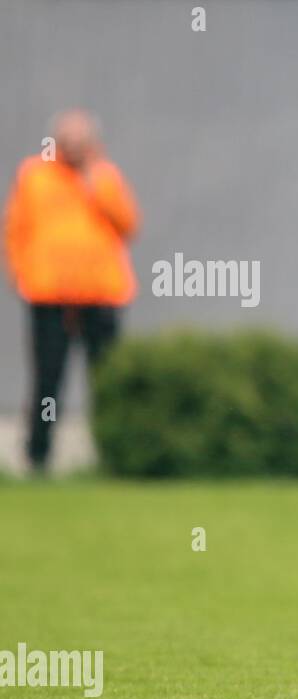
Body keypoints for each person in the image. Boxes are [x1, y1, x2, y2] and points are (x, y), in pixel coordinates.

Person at [4, 109, 139, 474]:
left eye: (82, 142)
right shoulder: (35, 177)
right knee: (48, 378)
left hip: (100, 295)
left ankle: (115, 455)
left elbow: (128, 224)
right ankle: (38, 456)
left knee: (107, 378)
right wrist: (21, 275)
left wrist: (95, 186)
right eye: (68, 142)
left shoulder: (104, 177)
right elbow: (16, 230)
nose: (75, 148)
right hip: (50, 296)